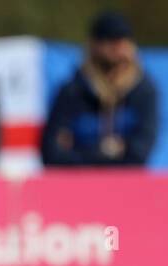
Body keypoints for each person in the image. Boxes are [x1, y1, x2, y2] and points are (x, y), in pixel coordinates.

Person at [41, 10, 159, 166]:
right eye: (112, 42)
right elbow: (53, 155)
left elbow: (140, 153)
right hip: (79, 185)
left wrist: (82, 152)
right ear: (94, 45)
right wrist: (108, 152)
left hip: (128, 187)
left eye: (123, 42)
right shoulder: (72, 91)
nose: (119, 49)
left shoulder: (144, 91)